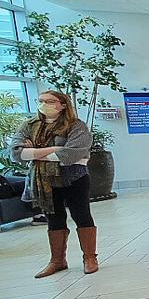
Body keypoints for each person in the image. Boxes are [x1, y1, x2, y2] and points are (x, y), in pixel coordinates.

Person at [9, 90, 100, 277]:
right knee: (54, 219)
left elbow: (71, 154)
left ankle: (89, 257)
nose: (45, 104)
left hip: (74, 177)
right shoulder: (29, 125)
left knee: (81, 215)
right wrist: (55, 148)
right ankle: (57, 260)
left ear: (63, 105)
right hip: (44, 180)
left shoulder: (76, 126)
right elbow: (16, 154)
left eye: (50, 101)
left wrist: (35, 152)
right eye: (41, 101)